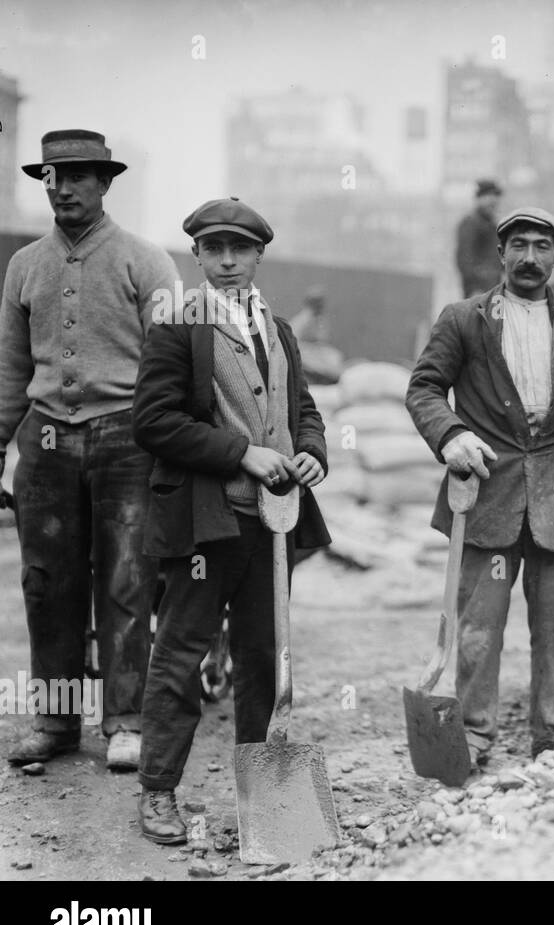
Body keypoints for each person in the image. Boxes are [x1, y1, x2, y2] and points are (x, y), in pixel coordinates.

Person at [131, 197, 331, 844]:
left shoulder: (276, 329)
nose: (226, 262)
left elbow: (303, 407)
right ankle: (159, 790)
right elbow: (154, 422)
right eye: (213, 249)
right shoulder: (177, 327)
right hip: (203, 520)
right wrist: (244, 452)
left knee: (263, 658)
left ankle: (266, 802)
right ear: (196, 255)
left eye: (238, 249)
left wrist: (310, 451)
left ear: (258, 255)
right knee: (181, 654)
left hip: (269, 526)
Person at [407, 206, 554, 764]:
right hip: (485, 496)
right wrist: (451, 435)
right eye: (519, 245)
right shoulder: (464, 319)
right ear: (500, 254)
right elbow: (425, 389)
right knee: (479, 631)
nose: (530, 258)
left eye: (542, 247)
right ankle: (474, 736)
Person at [0, 130, 179, 771]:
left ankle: (125, 723)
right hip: (45, 440)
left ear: (106, 183)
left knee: (128, 578)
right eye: (53, 176)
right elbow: (10, 367)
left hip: (125, 435)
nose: (65, 187)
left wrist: (168, 443)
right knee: (48, 583)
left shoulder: (146, 261)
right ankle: (56, 720)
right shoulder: (24, 265)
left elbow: (171, 364)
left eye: (79, 176)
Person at [455, 178, 503, 297]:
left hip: (494, 289)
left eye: (495, 196)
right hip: (478, 291)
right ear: (478, 198)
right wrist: (473, 289)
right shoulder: (470, 223)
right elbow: (465, 259)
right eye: (488, 196)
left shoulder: (493, 226)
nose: (493, 201)